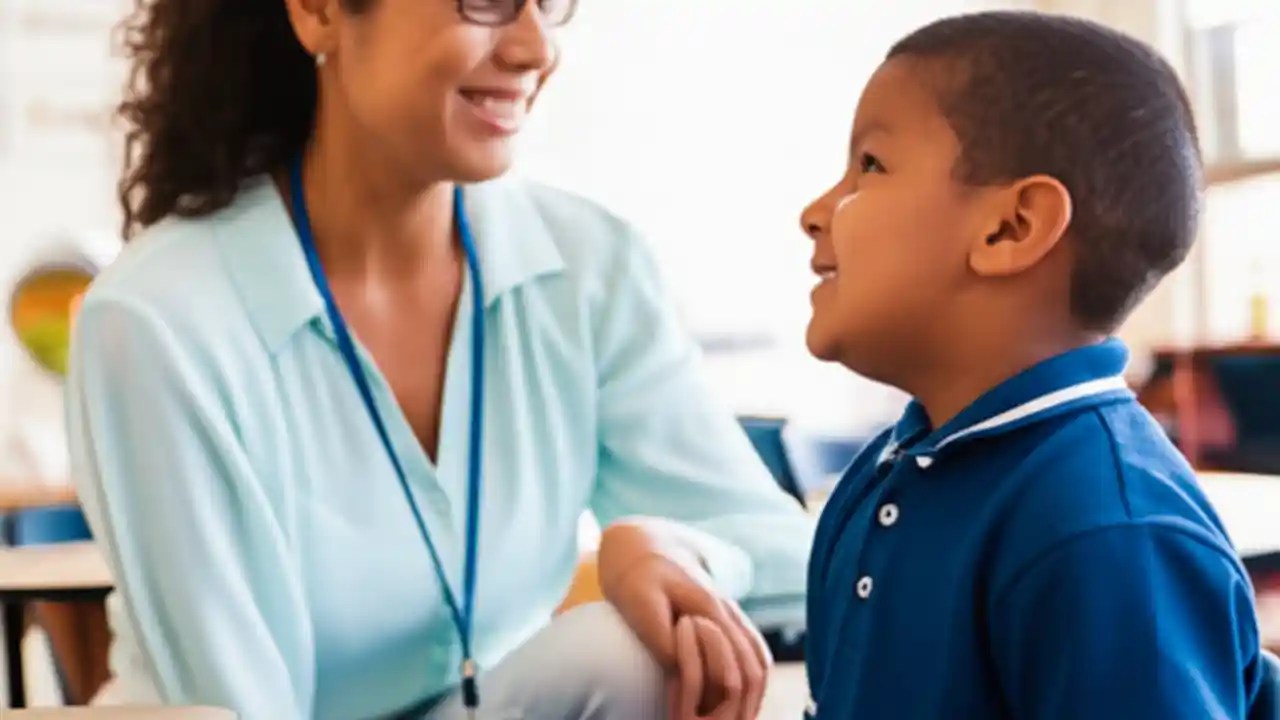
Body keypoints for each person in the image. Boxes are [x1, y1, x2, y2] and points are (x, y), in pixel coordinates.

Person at [65, 0, 814, 718]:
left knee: (636, 652)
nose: (536, 47)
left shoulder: (587, 268)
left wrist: (674, 549)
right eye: (483, 0)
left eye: (545, 1)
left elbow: (794, 561)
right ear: (319, 8)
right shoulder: (160, 320)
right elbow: (243, 706)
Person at [798, 11, 1263, 719]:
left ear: (1011, 228)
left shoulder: (1105, 529)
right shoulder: (885, 473)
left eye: (870, 166)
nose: (815, 210)